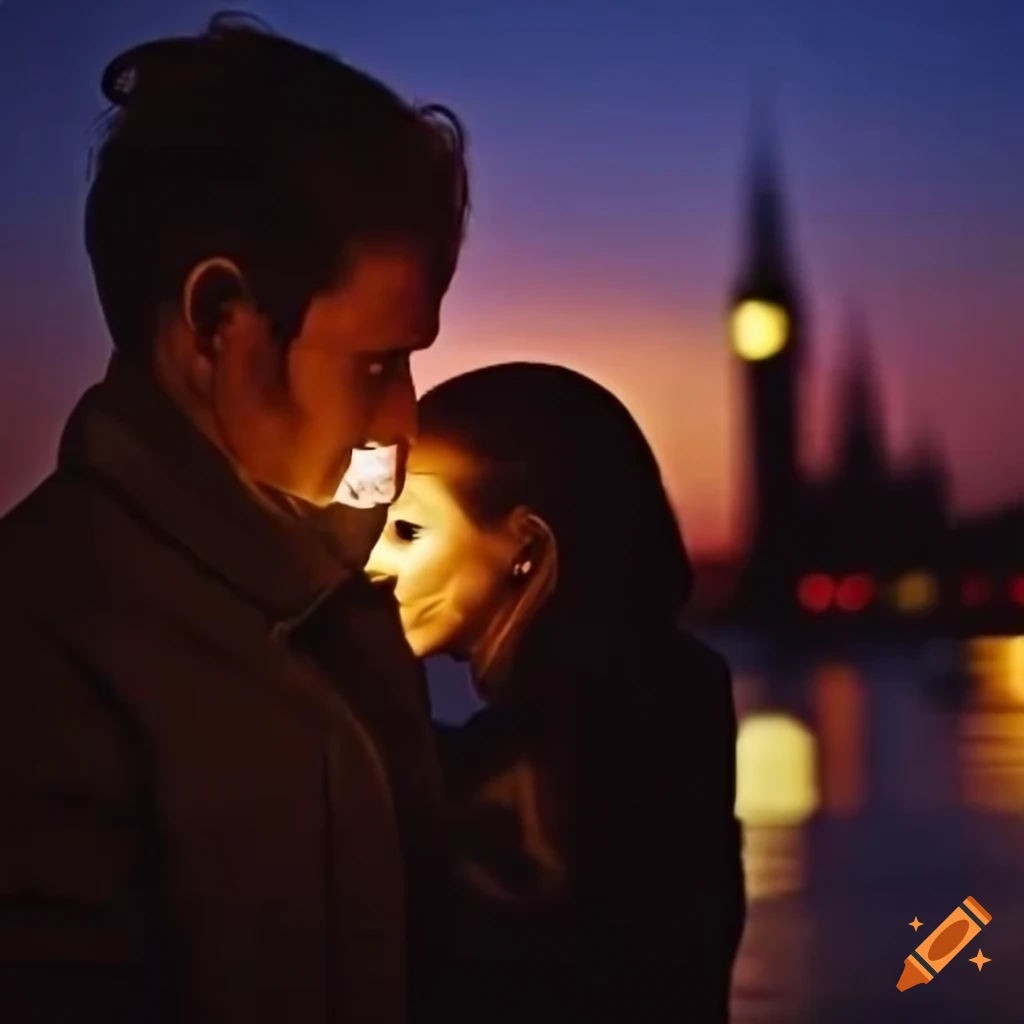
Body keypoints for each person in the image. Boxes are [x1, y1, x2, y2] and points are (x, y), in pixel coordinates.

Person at [0, 12, 468, 1023]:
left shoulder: (338, 619)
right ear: (220, 322)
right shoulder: (39, 648)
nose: (404, 419)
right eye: (378, 363)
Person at [367, 362, 746, 1022]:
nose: (371, 561)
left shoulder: (588, 751)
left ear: (526, 548)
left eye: (407, 532)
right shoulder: (674, 696)